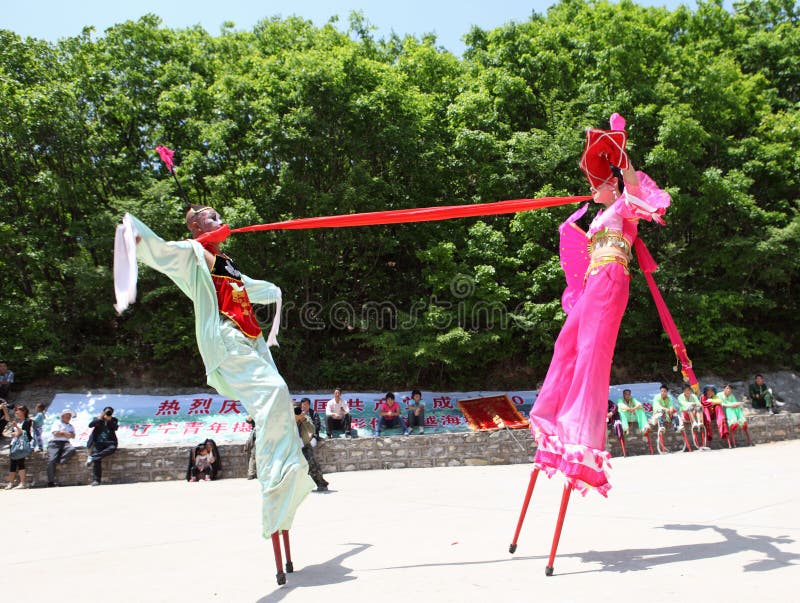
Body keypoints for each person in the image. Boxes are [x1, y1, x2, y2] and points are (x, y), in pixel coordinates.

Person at [114, 206, 312, 542]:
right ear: (195, 225)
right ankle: (275, 476)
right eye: (210, 217)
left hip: (248, 341)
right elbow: (164, 251)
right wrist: (139, 238)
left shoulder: (226, 262)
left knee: (279, 397)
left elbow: (247, 287)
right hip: (226, 339)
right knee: (274, 393)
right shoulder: (194, 254)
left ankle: (285, 468)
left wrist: (274, 290)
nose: (219, 219)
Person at [528, 112, 670, 496]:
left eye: (598, 181)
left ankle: (580, 430)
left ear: (610, 184)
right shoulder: (598, 215)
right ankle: (552, 415)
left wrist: (625, 165)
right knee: (566, 344)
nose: (591, 186)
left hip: (611, 279)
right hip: (592, 281)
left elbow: (637, 193)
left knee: (591, 352)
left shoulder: (624, 206)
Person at [295, 404, 328, 491]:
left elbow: (312, 429)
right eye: (294, 410)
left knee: (312, 465)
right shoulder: (286, 418)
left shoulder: (305, 417)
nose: (296, 412)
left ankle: (321, 483)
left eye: (297, 409)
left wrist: (303, 419)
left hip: (304, 445)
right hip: (291, 446)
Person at [85, 406, 119, 486]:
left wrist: (109, 420)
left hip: (110, 442)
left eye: (110, 412)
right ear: (103, 412)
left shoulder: (114, 420)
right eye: (106, 412)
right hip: (98, 442)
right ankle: (96, 480)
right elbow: (90, 425)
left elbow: (115, 428)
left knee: (112, 448)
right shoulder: (98, 418)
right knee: (97, 461)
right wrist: (100, 418)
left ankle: (93, 457)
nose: (108, 413)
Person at [47, 408, 77, 487]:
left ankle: (60, 462)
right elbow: (56, 434)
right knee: (51, 460)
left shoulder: (71, 426)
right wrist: (65, 433)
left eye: (69, 416)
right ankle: (51, 481)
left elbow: (73, 436)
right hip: (54, 443)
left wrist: (63, 432)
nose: (68, 417)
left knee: (71, 449)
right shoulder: (57, 423)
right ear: (62, 416)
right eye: (67, 415)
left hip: (65, 443)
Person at [4, 404, 32, 489]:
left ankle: (22, 483)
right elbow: (14, 432)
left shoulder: (27, 421)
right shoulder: (17, 421)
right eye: (15, 410)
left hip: (21, 444)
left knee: (20, 463)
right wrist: (14, 432)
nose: (16, 412)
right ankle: (11, 483)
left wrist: (16, 429)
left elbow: (24, 433)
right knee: (12, 464)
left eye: (18, 410)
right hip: (14, 444)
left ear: (23, 411)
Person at [244, 415, 257, 480]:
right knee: (253, 456)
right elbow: (247, 419)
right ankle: (251, 474)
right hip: (257, 437)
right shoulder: (255, 412)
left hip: (265, 436)